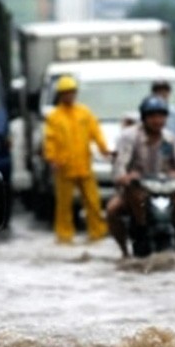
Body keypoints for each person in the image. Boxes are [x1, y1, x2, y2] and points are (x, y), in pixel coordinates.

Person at [105, 95, 175, 257]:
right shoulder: (129, 137)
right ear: (144, 118)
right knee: (112, 211)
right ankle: (125, 249)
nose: (157, 120)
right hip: (135, 189)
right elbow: (120, 163)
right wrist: (124, 177)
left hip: (165, 189)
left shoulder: (169, 139)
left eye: (161, 116)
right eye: (152, 116)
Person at [43, 75, 110, 244]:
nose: (69, 96)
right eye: (65, 93)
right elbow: (49, 139)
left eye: (72, 92)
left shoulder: (84, 113)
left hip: (84, 166)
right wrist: (52, 159)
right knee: (64, 206)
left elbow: (96, 132)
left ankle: (97, 233)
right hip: (63, 167)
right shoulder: (54, 117)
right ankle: (64, 236)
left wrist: (104, 150)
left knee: (93, 202)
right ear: (60, 94)